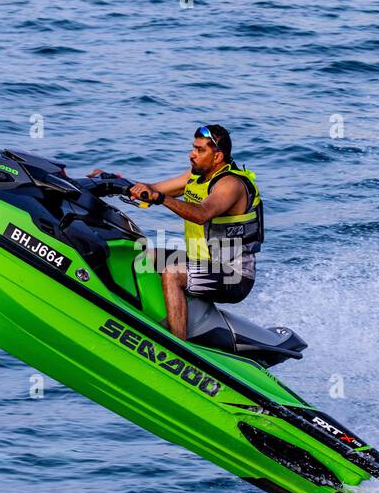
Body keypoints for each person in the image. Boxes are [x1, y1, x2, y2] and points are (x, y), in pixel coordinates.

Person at [91, 124, 263, 340]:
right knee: (141, 256)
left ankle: (177, 346)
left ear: (217, 156)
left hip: (232, 274)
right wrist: (111, 181)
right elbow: (152, 189)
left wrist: (160, 199)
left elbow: (201, 213)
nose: (192, 154)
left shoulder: (230, 184)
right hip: (202, 260)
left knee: (173, 274)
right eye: (193, 148)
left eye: (200, 150)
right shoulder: (196, 177)